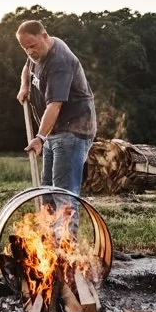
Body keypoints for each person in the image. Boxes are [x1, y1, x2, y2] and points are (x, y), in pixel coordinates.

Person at [15, 20, 96, 196]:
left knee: (62, 192)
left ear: (44, 36)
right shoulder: (39, 52)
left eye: (32, 46)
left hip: (73, 130)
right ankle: (48, 225)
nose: (29, 51)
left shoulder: (60, 62)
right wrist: (25, 86)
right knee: (47, 191)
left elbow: (55, 106)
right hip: (53, 130)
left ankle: (66, 225)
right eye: (25, 48)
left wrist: (39, 137)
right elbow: (27, 67)